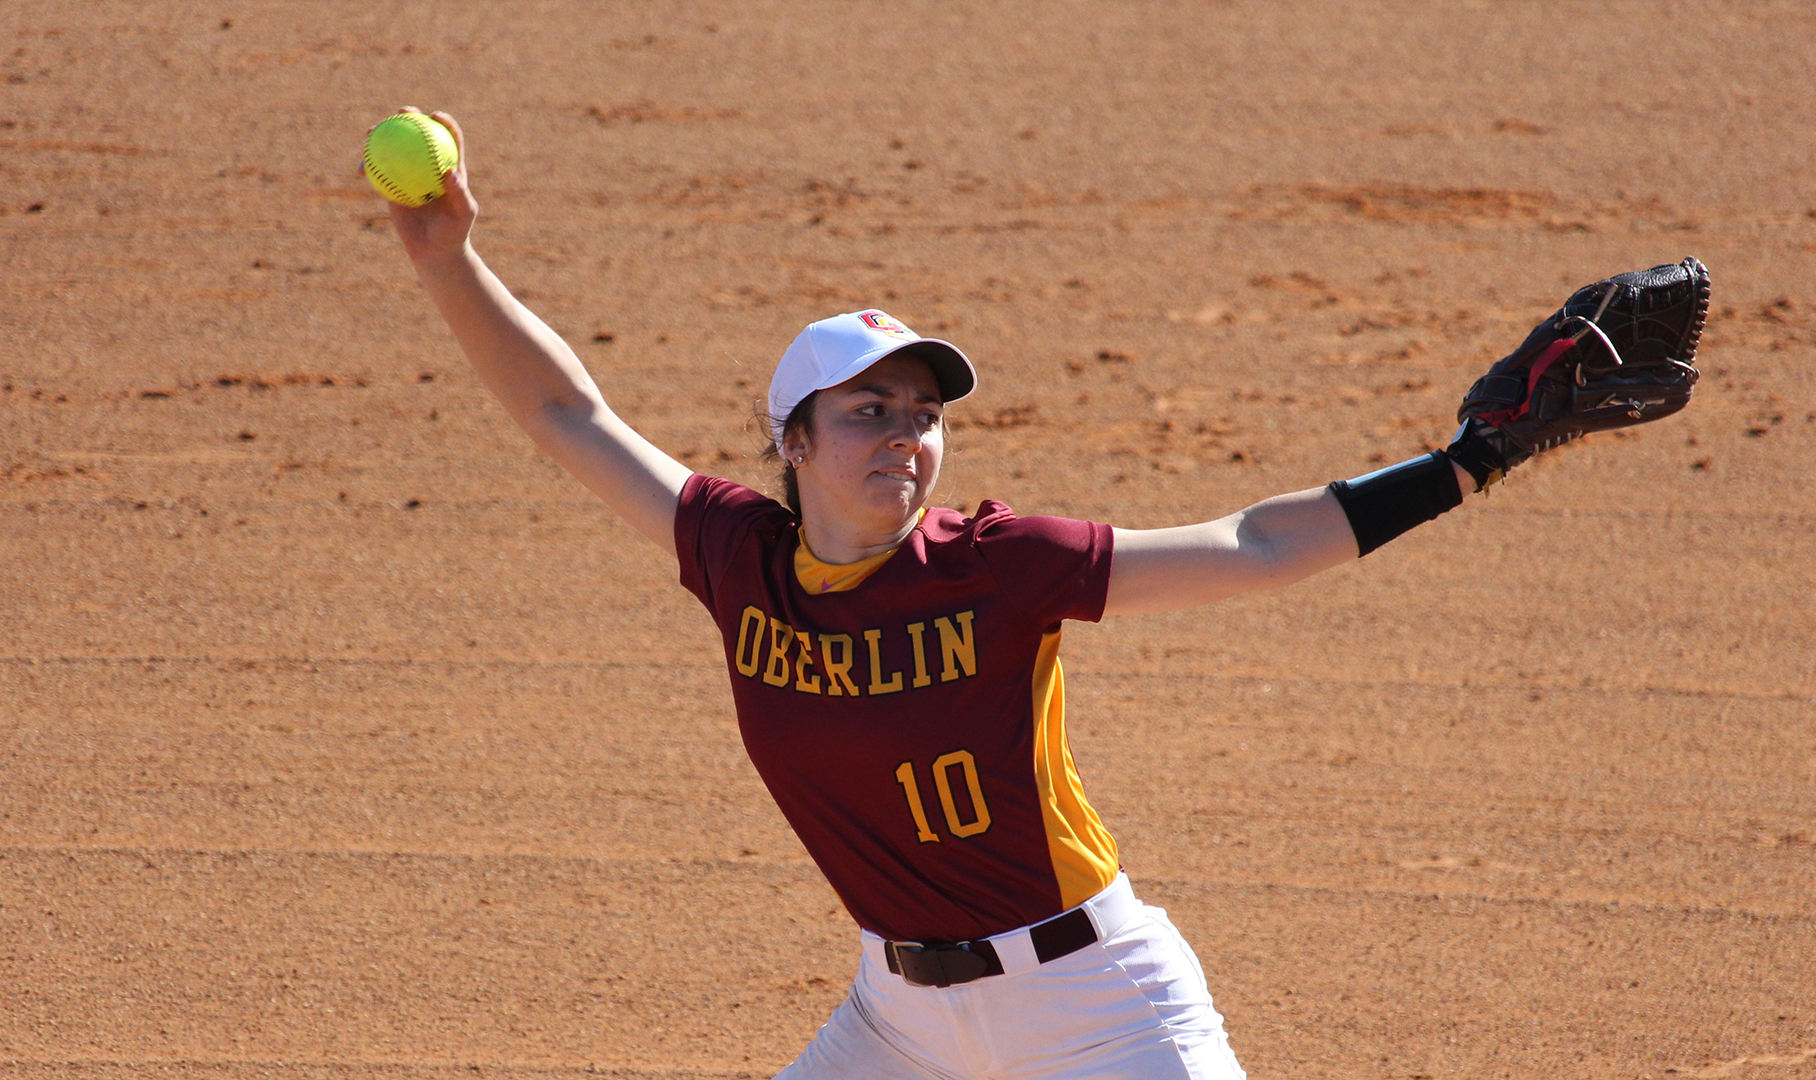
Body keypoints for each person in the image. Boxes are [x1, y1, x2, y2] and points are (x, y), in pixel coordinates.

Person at [375, 109, 1703, 1080]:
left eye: (924, 412)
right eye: (867, 411)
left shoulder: (997, 567)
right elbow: (565, 411)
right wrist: (445, 263)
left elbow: (1246, 544)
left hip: (1100, 1010)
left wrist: (1465, 465)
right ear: (791, 440)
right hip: (894, 1025)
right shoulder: (737, 560)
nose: (906, 433)